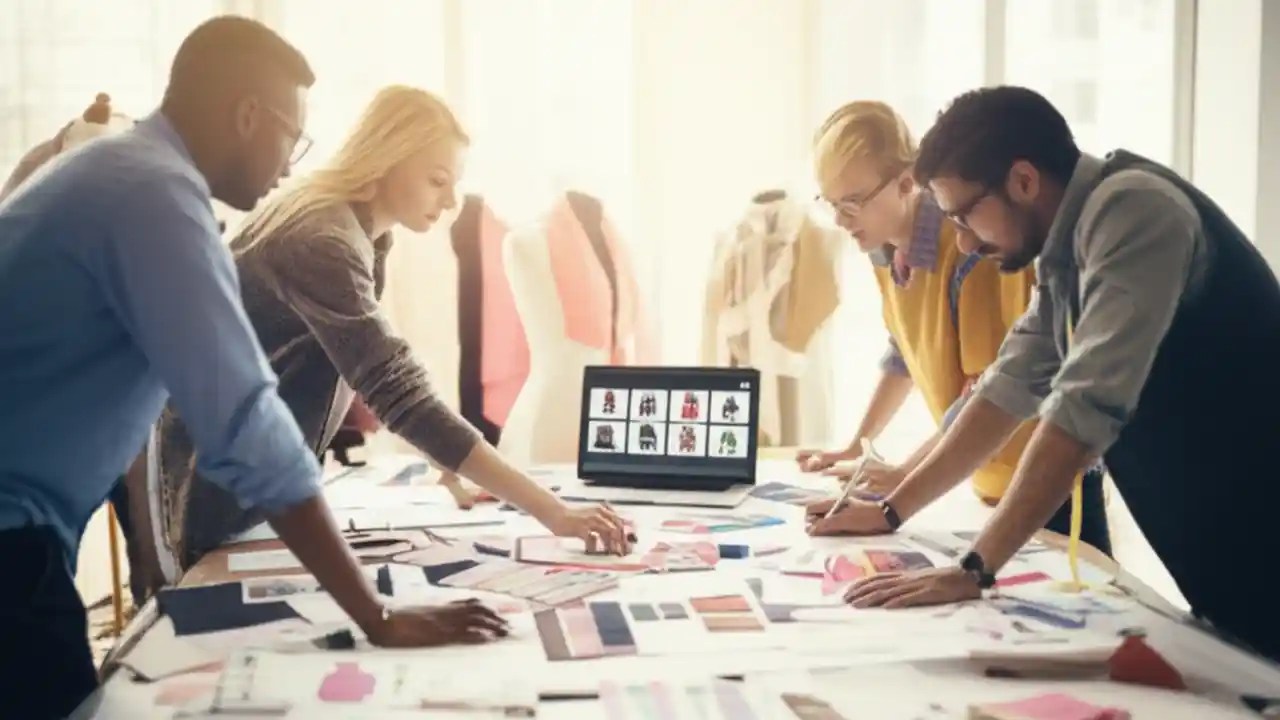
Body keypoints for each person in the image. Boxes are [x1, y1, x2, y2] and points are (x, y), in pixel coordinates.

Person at [0, 18, 502, 718]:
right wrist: (376, 616)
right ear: (247, 116)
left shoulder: (118, 169)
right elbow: (244, 423)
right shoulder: (157, 199)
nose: (291, 165)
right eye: (292, 137)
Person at [833, 86, 1280, 662]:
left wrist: (975, 567)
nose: (963, 241)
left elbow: (1082, 409)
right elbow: (1008, 386)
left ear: (1023, 180)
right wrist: (892, 510)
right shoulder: (1067, 246)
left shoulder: (1135, 213)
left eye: (964, 215)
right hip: (1222, 545)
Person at [135, 85, 630, 588]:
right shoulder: (322, 240)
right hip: (214, 487)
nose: (451, 202)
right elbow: (398, 393)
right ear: (387, 158)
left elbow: (369, 370)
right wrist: (554, 512)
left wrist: (449, 462)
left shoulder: (361, 231)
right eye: (437, 180)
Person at [797, 100, 1110, 553]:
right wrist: (858, 445)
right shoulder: (884, 250)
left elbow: (988, 391)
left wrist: (903, 481)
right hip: (984, 475)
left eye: (853, 202)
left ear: (906, 183)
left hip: (1047, 479)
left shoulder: (976, 247)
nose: (840, 220)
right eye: (830, 203)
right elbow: (904, 351)